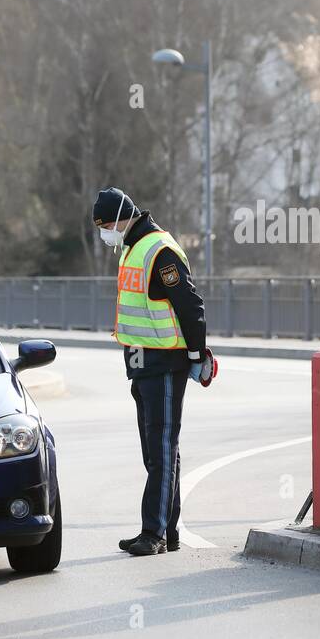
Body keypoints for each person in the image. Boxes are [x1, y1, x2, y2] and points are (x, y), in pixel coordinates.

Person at [94, 187, 214, 556]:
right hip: (141, 362)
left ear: (122, 218)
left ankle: (154, 532)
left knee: (161, 449)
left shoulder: (158, 249)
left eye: (106, 225)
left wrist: (196, 354)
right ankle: (167, 529)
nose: (105, 233)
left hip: (164, 361)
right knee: (157, 450)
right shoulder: (132, 246)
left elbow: (190, 304)